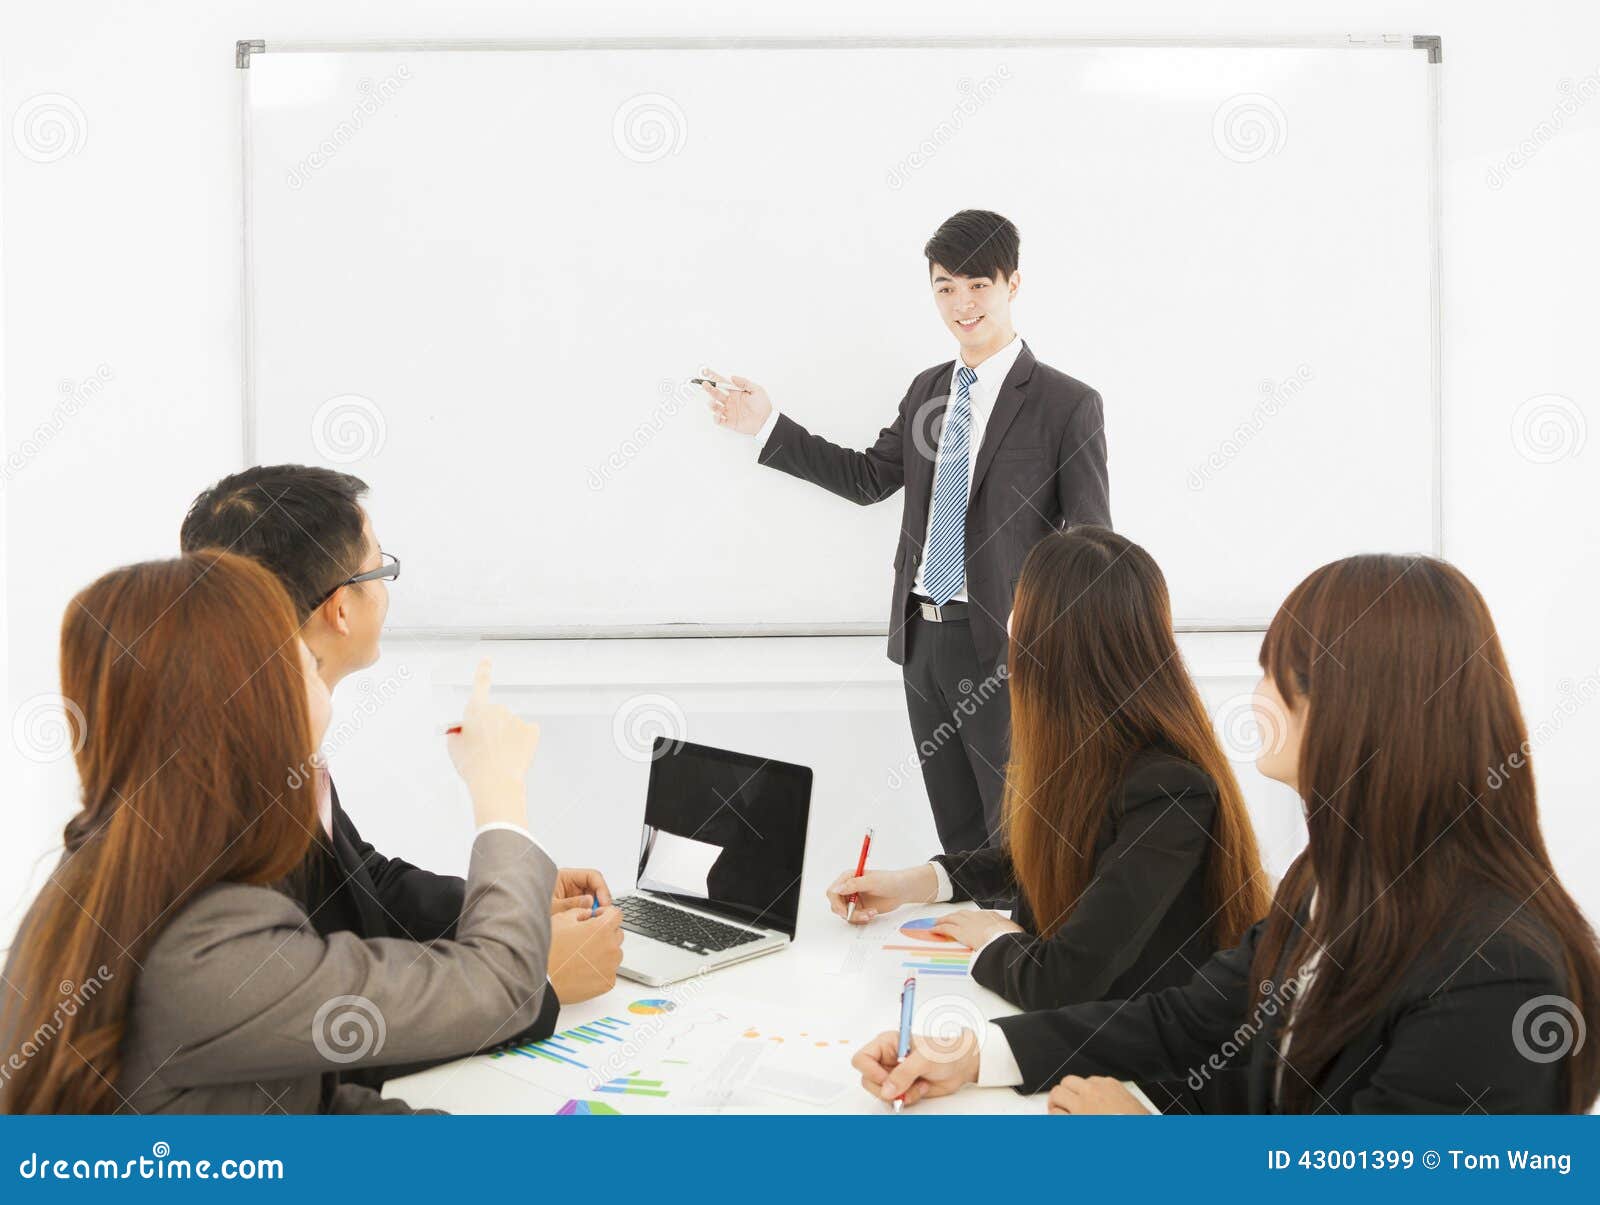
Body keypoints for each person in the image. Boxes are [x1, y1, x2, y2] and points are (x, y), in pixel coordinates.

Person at [852, 554, 1600, 1114]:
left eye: (1276, 676)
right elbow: (1195, 1026)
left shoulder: (1499, 976)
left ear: (1355, 711)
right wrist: (973, 1052)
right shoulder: (1332, 882)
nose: (1255, 697)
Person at [0, 552, 553, 1112]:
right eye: (307, 665)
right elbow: (500, 984)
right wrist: (499, 784)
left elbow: (293, 1102)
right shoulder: (208, 945)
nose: (320, 677)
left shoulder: (116, 877)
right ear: (257, 707)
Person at [178, 465, 621, 1089]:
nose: (386, 589)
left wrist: (507, 901)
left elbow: (359, 880)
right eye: (380, 572)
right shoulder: (230, 808)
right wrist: (535, 979)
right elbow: (317, 1043)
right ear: (340, 608)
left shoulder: (263, 743)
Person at [702, 210, 1110, 854]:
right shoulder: (928, 390)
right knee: (960, 831)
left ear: (1013, 284)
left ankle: (1024, 951)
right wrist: (767, 423)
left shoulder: (1066, 403)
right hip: (921, 641)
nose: (961, 303)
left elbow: (1092, 546)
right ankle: (969, 953)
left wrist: (1061, 655)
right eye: (945, 287)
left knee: (1022, 841)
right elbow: (868, 478)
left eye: (978, 284)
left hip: (1004, 650)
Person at [826, 527, 1268, 1111]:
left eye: (1018, 614)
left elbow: (1062, 980)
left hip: (1143, 1083)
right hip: (1074, 1047)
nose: (1008, 631)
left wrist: (994, 939)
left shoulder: (1170, 788)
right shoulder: (1097, 748)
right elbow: (1044, 851)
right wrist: (918, 882)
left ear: (1054, 643)